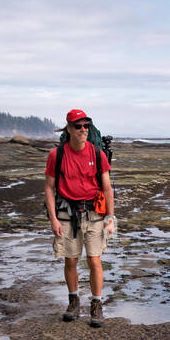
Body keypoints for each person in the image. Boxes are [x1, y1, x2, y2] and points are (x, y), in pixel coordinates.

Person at [45, 108, 116, 327]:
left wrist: (111, 218)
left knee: (95, 260)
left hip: (94, 214)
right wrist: (53, 219)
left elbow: (107, 188)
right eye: (78, 126)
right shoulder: (56, 155)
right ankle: (73, 302)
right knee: (71, 260)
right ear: (68, 128)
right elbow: (48, 188)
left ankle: (96, 305)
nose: (83, 130)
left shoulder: (97, 154)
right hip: (66, 215)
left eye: (86, 126)